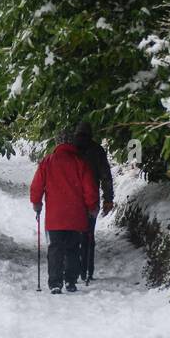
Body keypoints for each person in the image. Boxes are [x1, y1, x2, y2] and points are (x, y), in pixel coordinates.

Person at [30, 129, 98, 294]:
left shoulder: (47, 161)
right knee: (73, 248)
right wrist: (92, 207)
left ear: (57, 141)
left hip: (55, 217)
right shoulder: (79, 163)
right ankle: (71, 281)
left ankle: (55, 282)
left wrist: (37, 203)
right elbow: (90, 188)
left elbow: (36, 186)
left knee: (55, 248)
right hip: (75, 215)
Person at [72, 121, 114, 284]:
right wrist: (108, 199)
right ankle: (87, 271)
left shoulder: (71, 150)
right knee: (89, 235)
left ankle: (74, 270)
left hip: (72, 199)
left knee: (74, 235)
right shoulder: (97, 150)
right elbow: (106, 177)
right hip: (92, 199)